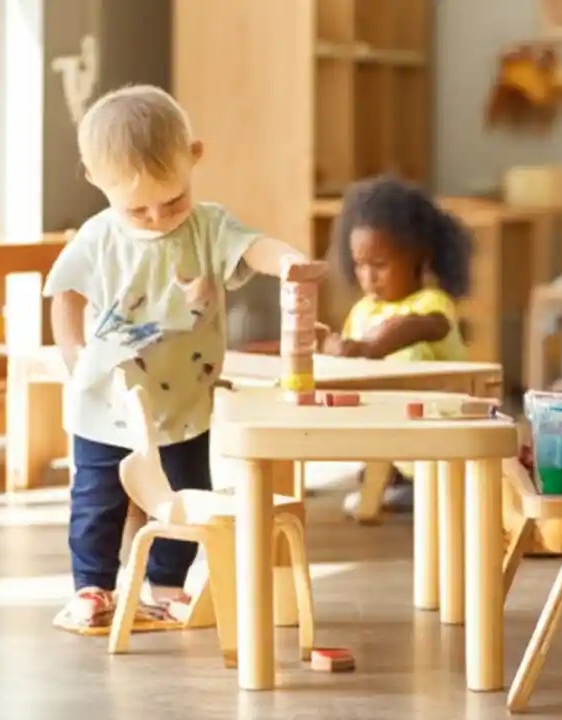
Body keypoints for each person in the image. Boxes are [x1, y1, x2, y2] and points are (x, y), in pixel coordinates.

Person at [44, 85, 309, 632]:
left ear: (195, 157)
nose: (159, 217)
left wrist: (289, 262)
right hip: (107, 401)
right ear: (96, 181)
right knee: (97, 501)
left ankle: (166, 587)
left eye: (173, 201)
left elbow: (253, 246)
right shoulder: (98, 238)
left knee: (185, 499)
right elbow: (64, 294)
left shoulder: (208, 225)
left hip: (188, 402)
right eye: (138, 209)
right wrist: (74, 360)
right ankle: (93, 586)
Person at [320, 175, 473, 515]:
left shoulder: (431, 304)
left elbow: (418, 327)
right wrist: (338, 348)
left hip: (439, 434)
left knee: (407, 359)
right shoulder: (363, 311)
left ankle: (415, 481)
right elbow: (352, 351)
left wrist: (370, 347)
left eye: (380, 265)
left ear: (418, 257)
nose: (368, 278)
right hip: (384, 430)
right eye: (360, 265)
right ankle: (388, 476)